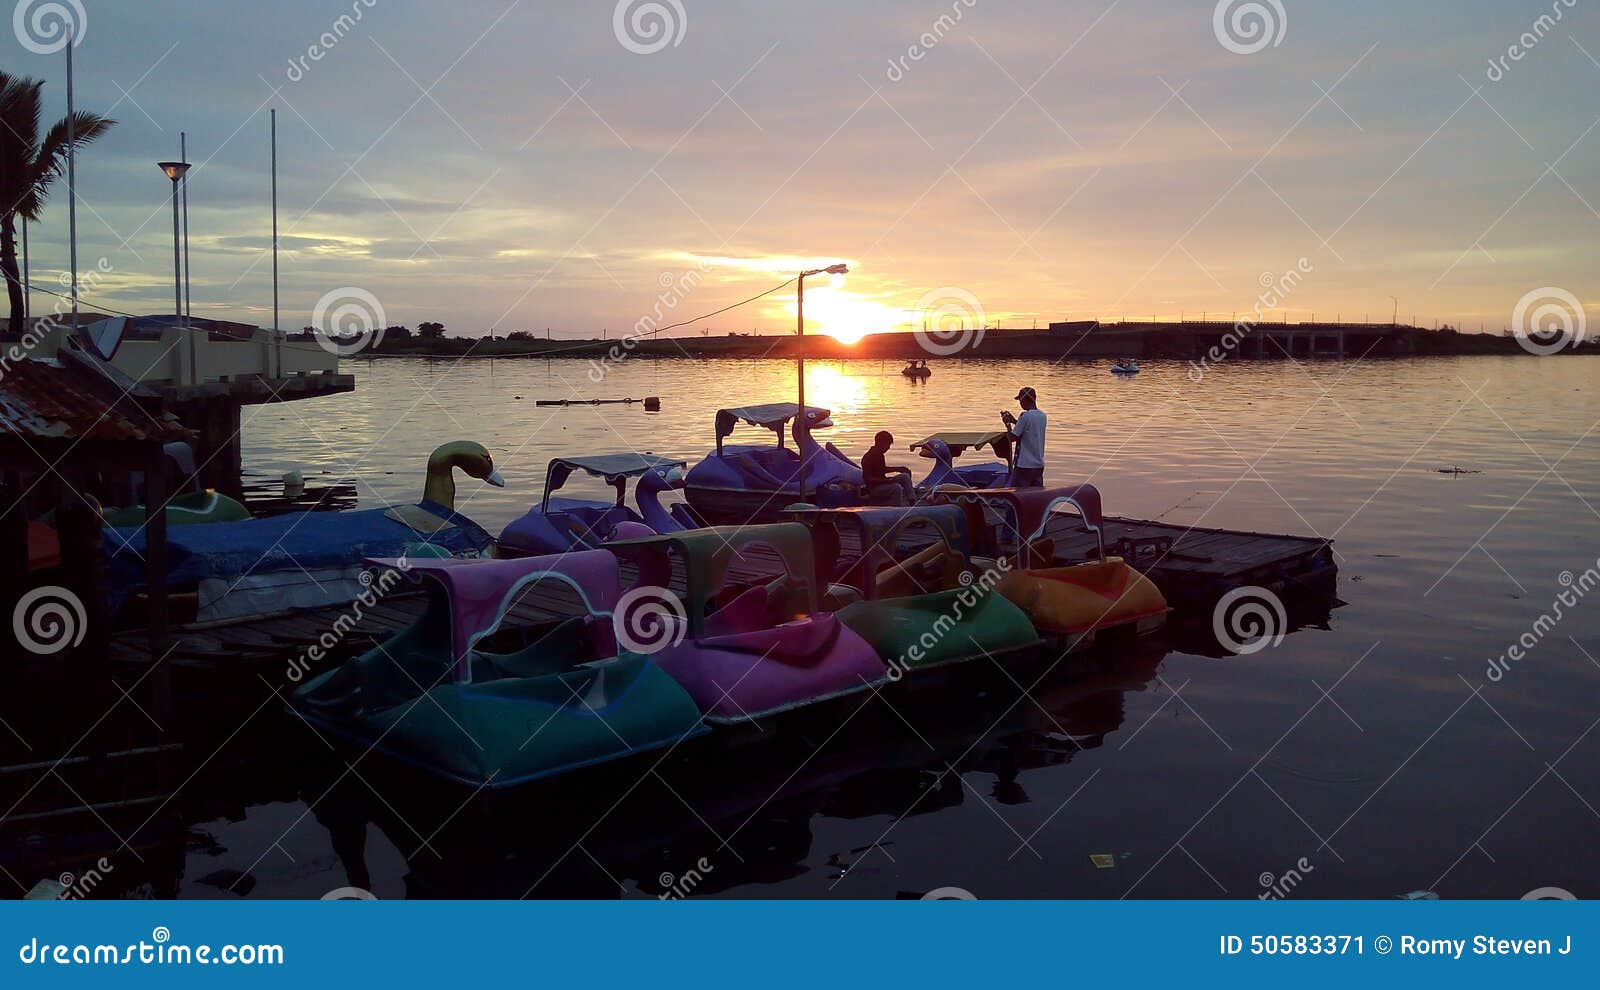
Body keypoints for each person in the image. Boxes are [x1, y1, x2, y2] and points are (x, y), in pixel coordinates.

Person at [1001, 386, 1046, 487]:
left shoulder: (1025, 416)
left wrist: (1007, 424)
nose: (1020, 403)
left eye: (1020, 401)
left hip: (1024, 465)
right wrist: (1014, 421)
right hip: (1038, 465)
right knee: (1035, 493)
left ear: (1024, 400)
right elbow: (1029, 428)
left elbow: (1012, 438)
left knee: (1018, 492)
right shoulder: (1042, 416)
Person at [861, 430, 915, 506]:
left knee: (905, 476)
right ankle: (896, 507)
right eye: (887, 445)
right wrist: (887, 481)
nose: (888, 448)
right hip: (874, 488)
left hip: (884, 482)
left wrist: (898, 469)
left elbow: (881, 469)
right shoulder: (868, 457)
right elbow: (868, 478)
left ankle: (912, 499)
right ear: (880, 443)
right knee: (896, 488)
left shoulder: (879, 455)